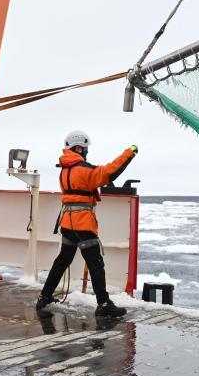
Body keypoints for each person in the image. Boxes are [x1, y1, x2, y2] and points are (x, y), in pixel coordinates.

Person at [36, 131, 138, 318]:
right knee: (96, 264)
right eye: (86, 149)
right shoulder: (83, 169)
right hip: (82, 224)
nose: (87, 153)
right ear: (79, 148)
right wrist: (130, 152)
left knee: (62, 261)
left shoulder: (64, 170)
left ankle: (44, 296)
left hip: (67, 222)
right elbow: (110, 171)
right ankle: (104, 304)